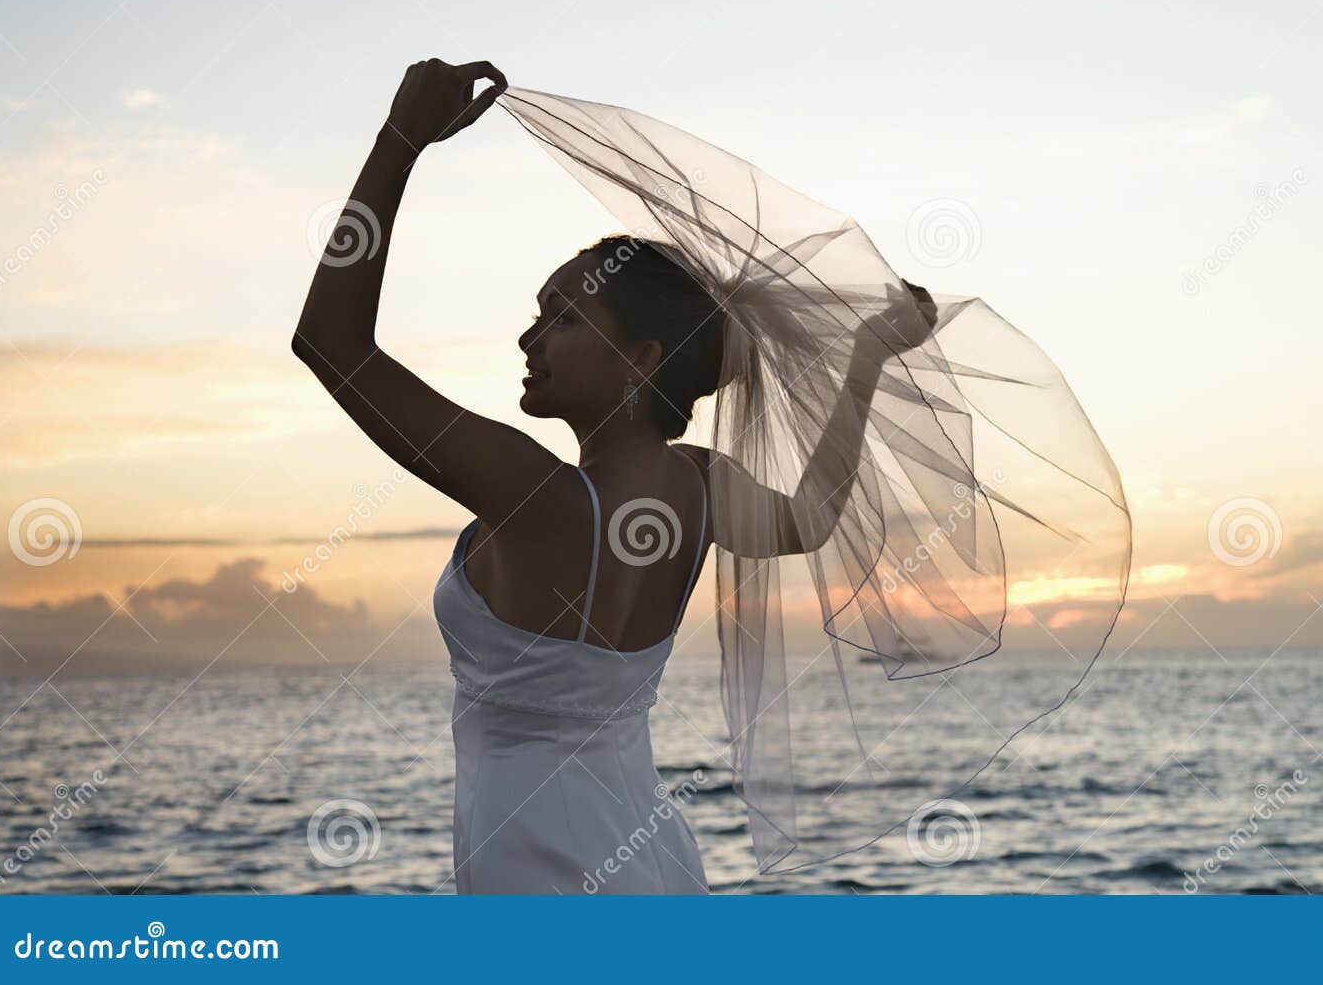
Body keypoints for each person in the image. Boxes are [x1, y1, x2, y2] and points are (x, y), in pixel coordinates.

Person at [292, 58, 937, 893]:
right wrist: (867, 359)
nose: (530, 339)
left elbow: (331, 345)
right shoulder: (700, 489)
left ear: (641, 358)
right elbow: (813, 515)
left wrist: (400, 141)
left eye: (562, 317)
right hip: (651, 866)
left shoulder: (533, 492)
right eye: (536, 315)